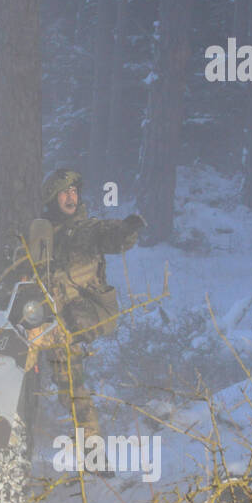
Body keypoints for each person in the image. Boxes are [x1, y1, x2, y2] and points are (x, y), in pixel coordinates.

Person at [31, 168, 145, 440]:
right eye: (64, 192)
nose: (71, 197)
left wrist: (127, 230)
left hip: (70, 321)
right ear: (52, 197)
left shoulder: (87, 229)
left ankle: (92, 446)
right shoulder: (40, 232)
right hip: (39, 320)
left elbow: (112, 235)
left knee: (73, 386)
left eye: (74, 192)